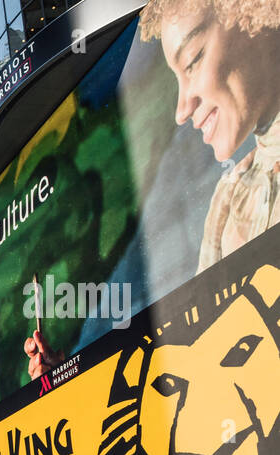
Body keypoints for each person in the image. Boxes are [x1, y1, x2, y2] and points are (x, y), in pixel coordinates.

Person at [139, 0, 280, 272]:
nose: (182, 111)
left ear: (253, 11)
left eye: (192, 60)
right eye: (177, 76)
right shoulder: (227, 200)